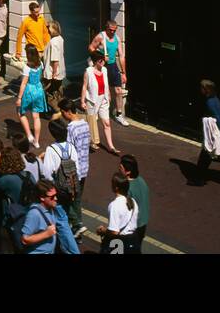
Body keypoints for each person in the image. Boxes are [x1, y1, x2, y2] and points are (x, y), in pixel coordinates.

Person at [60, 99, 91, 238]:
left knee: (69, 199)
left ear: (67, 112)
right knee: (78, 199)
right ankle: (77, 228)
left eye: (62, 112)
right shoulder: (85, 124)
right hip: (85, 167)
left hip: (74, 170)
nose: (62, 115)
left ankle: (76, 225)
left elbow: (69, 150)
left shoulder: (71, 128)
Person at [89, 18, 128, 125]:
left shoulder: (117, 39)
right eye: (110, 30)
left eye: (114, 30)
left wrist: (124, 73)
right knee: (99, 89)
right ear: (106, 28)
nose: (112, 32)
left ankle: (119, 114)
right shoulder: (100, 37)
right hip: (101, 65)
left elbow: (121, 56)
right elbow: (91, 48)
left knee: (118, 90)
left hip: (112, 65)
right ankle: (95, 112)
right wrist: (100, 56)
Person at [16, 45, 48, 150]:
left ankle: (29, 134)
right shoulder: (40, 64)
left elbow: (23, 84)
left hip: (29, 91)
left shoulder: (27, 67)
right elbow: (40, 77)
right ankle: (36, 141)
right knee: (36, 116)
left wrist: (19, 98)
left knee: (21, 112)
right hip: (38, 90)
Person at [98, 172, 139, 254]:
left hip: (119, 243)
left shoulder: (114, 205)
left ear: (116, 188)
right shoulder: (133, 202)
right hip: (133, 240)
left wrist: (103, 231)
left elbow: (114, 232)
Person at [119, 153, 150, 253]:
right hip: (143, 223)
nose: (119, 169)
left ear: (128, 172)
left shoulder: (128, 188)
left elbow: (126, 211)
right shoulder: (141, 181)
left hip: (133, 227)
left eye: (121, 168)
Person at [21, 178, 59, 254]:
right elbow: (24, 240)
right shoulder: (34, 214)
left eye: (56, 195)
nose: (56, 198)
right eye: (52, 197)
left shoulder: (50, 207)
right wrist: (46, 234)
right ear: (42, 197)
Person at [42, 20, 65, 110]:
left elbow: (55, 59)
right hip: (60, 71)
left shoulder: (53, 42)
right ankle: (63, 109)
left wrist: (54, 73)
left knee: (50, 94)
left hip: (52, 72)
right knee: (59, 92)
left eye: (48, 28)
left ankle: (57, 111)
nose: (47, 29)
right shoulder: (60, 39)